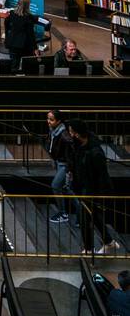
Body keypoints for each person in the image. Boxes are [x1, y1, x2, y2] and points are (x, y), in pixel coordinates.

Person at [67, 120, 114, 252]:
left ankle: (89, 249)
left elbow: (101, 176)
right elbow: (74, 163)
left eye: (71, 132)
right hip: (82, 186)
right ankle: (109, 242)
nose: (69, 134)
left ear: (77, 134)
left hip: (93, 190)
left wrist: (100, 196)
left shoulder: (95, 152)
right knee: (92, 216)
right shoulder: (77, 146)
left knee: (84, 217)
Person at [0, 0, 44, 72]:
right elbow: (31, 35)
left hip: (11, 43)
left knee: (13, 64)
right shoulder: (28, 18)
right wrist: (35, 48)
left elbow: (6, 25)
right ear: (27, 5)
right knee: (26, 65)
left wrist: (8, 37)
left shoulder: (11, 13)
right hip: (23, 45)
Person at [45, 108, 73, 223]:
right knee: (68, 189)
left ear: (59, 121)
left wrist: (69, 170)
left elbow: (70, 153)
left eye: (51, 119)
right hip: (59, 163)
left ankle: (63, 213)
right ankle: (79, 215)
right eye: (48, 118)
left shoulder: (64, 134)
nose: (48, 121)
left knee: (56, 186)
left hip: (64, 165)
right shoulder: (54, 131)